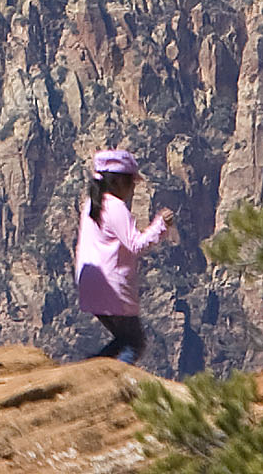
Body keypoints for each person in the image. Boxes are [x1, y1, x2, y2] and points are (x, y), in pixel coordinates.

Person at [75, 149, 174, 365]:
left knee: (123, 339)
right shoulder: (115, 207)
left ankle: (90, 369)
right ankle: (110, 378)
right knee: (134, 343)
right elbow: (136, 245)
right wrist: (160, 225)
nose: (133, 189)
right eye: (131, 182)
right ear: (119, 181)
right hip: (112, 286)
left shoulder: (92, 203)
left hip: (90, 283)